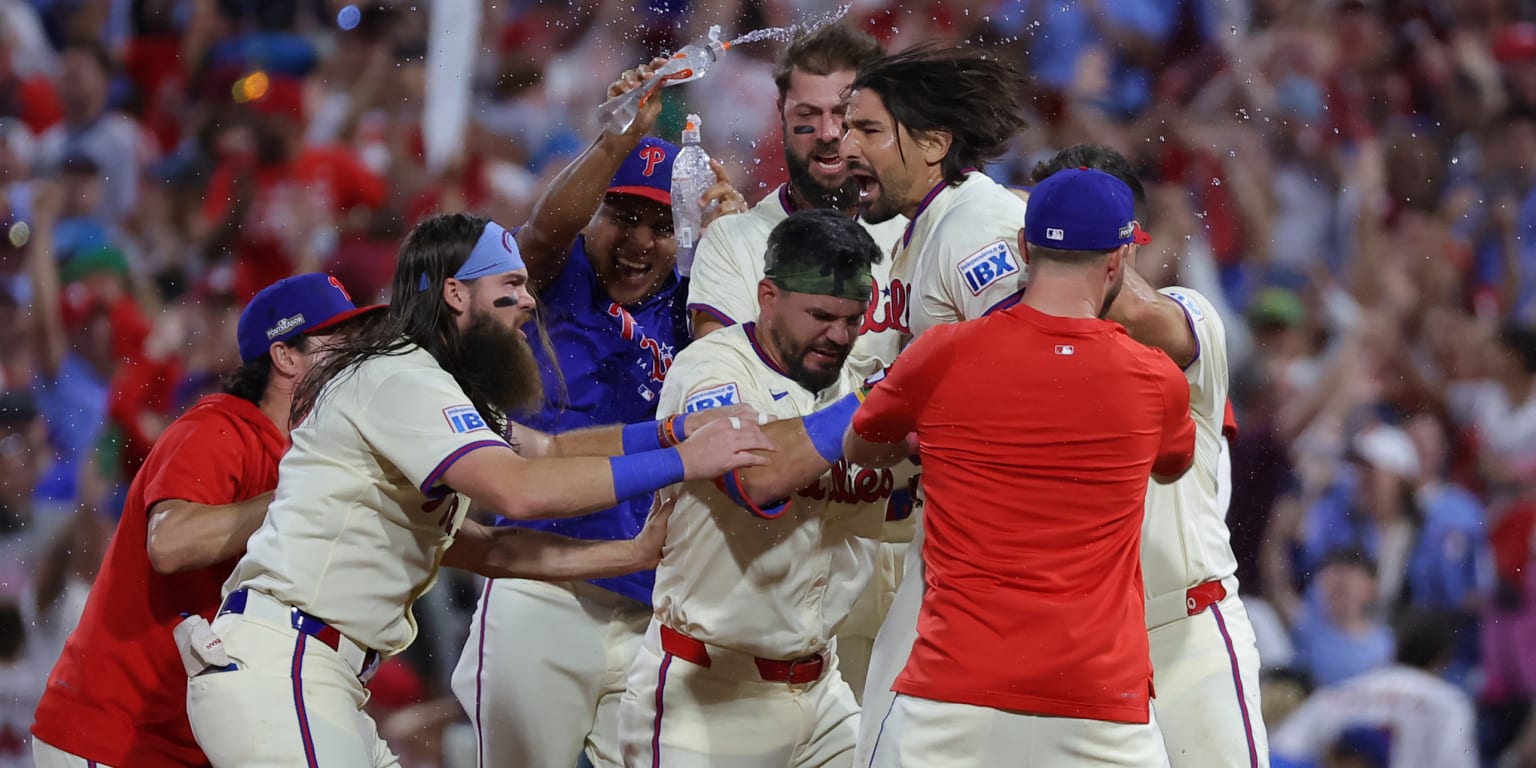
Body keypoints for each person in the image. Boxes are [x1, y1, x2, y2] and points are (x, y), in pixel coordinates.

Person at [184, 213, 772, 767]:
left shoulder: (436, 388)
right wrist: (684, 460)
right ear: (456, 293)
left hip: (315, 676)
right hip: (285, 664)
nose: (529, 299)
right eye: (510, 283)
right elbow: (519, 489)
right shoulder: (399, 375)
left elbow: (533, 482)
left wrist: (665, 447)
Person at [447, 58, 748, 768]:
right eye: (623, 215)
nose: (640, 240)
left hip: (656, 602)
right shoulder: (553, 277)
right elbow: (545, 230)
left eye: (659, 223)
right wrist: (616, 140)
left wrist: (735, 242)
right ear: (597, 211)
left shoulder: (697, 304)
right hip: (544, 583)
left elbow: (749, 369)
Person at [844, 168, 1195, 766]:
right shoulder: (1154, 376)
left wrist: (931, 442)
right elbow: (1170, 467)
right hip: (1099, 704)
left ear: (1025, 249)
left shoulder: (943, 354)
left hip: (951, 696)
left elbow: (859, 447)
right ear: (1117, 262)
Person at [31, 272, 379, 767]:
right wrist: (296, 496)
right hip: (112, 734)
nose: (352, 356)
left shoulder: (298, 459)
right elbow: (170, 543)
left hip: (183, 739)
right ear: (286, 357)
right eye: (337, 340)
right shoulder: (218, 429)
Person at [618, 209, 898, 767]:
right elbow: (753, 476)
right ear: (767, 296)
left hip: (824, 696)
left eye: (851, 319)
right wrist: (871, 404)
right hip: (707, 702)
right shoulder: (714, 370)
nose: (839, 336)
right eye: (820, 315)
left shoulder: (846, 384)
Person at [681, 20, 909, 700]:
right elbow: (727, 404)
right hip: (805, 539)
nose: (829, 135)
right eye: (806, 117)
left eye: (845, 115)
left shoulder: (927, 227)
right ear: (780, 118)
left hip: (913, 537)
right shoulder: (740, 242)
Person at [1032, 144, 1269, 767]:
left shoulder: (1189, 313)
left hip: (1187, 632)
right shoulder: (1021, 343)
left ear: (1124, 248)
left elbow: (1140, 311)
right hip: (1081, 650)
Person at [834, 44, 1032, 758]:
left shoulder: (973, 225)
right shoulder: (935, 224)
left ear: (933, 144)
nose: (844, 143)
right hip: (957, 537)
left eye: (867, 129)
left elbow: (1031, 372)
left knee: (890, 742)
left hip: (985, 550)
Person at [1270, 610, 1477, 768]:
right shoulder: (1448, 702)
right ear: (1444, 658)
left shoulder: (1336, 694)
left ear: (1396, 648)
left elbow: (1280, 755)